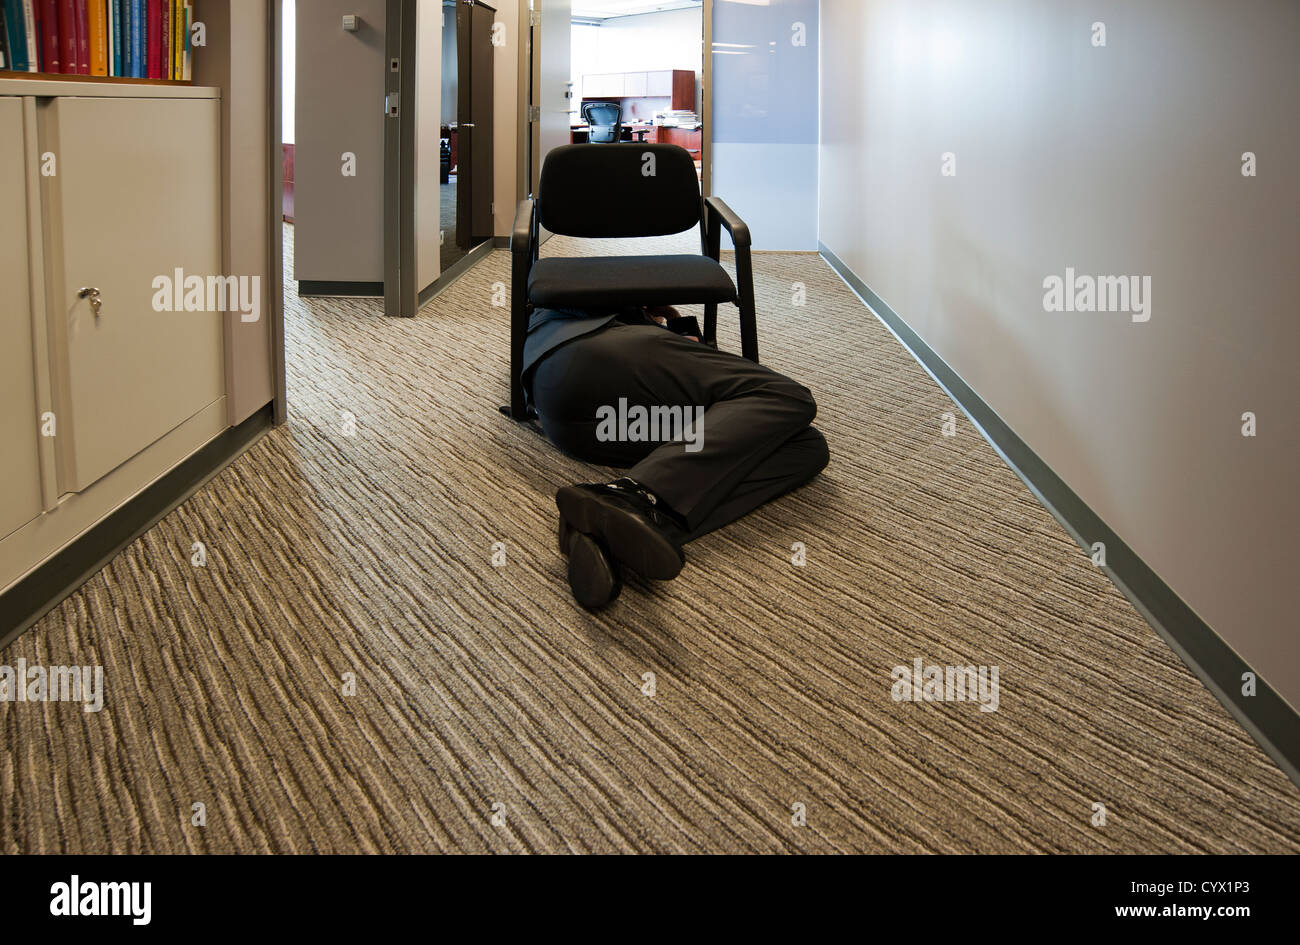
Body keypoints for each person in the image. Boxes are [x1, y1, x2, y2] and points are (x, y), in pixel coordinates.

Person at [523, 303, 829, 610]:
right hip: (591, 350)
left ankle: (623, 527)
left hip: (574, 423)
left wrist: (669, 321)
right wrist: (669, 317)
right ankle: (630, 495)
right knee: (785, 396)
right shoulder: (605, 286)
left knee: (805, 447)